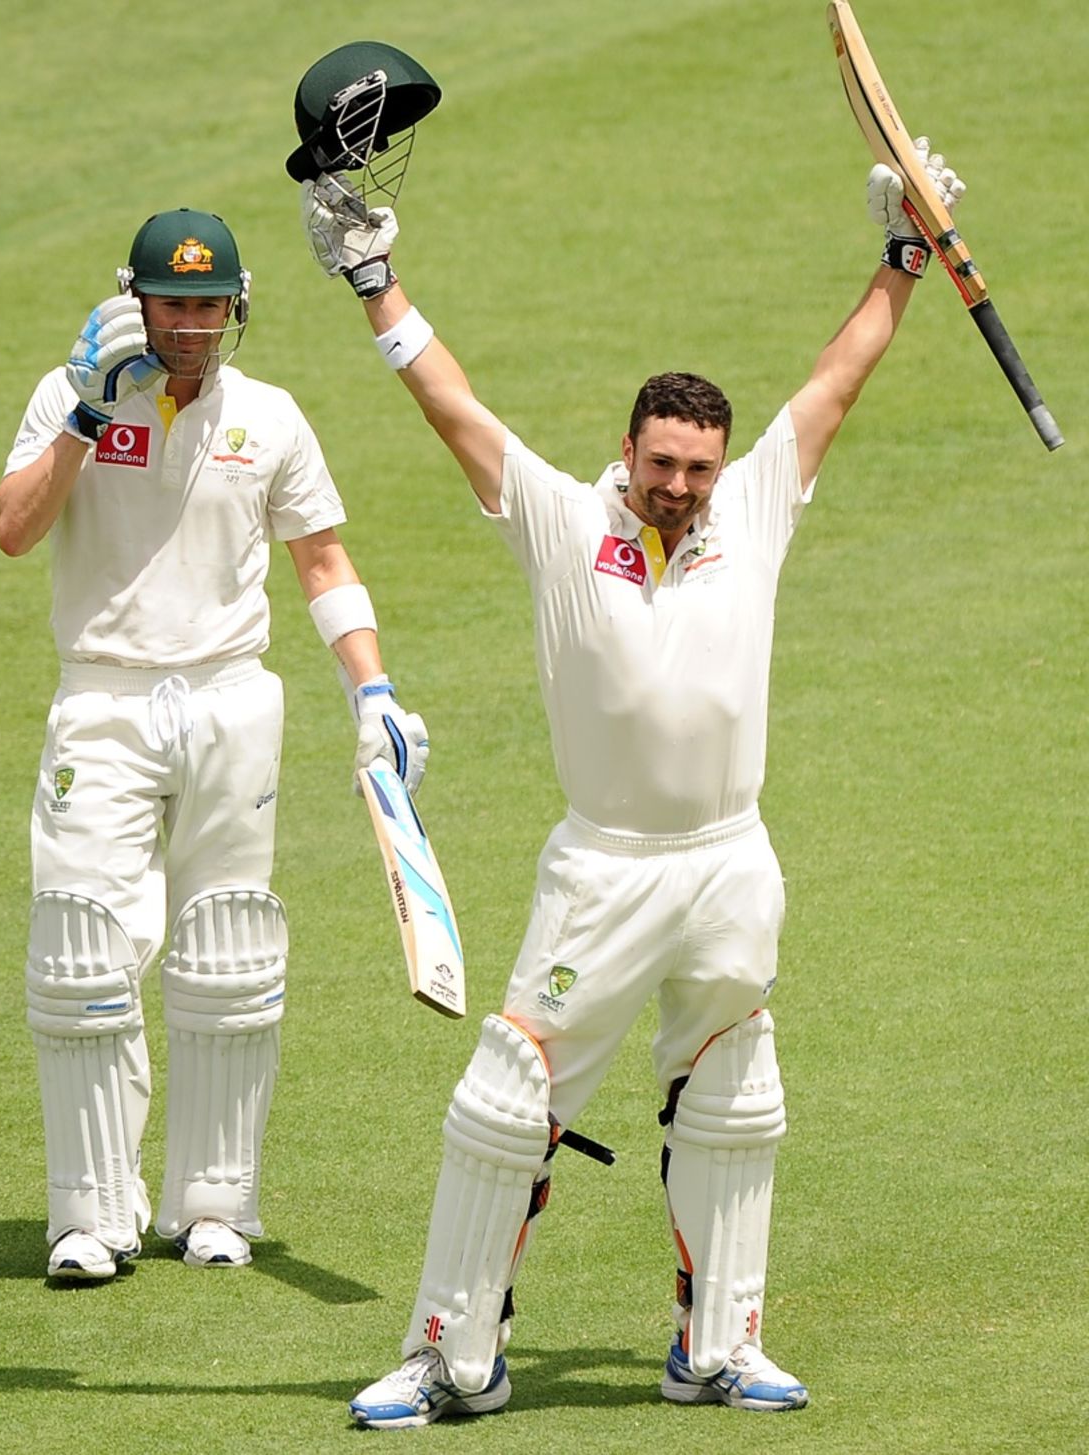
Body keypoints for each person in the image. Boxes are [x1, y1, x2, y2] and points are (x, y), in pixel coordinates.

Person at [297, 135, 966, 1426]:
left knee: (735, 1092)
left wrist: (902, 255)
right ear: (628, 451)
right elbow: (455, 405)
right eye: (663, 463)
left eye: (698, 468)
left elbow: (831, 387)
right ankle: (452, 1355)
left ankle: (717, 1345)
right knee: (507, 1095)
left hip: (729, 856)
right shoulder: (565, 521)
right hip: (602, 862)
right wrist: (373, 281)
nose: (680, 486)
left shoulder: (752, 511)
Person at [0, 207, 428, 1282]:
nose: (193, 325)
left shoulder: (269, 416)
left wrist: (372, 688)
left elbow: (322, 560)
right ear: (133, 299)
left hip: (233, 700)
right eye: (175, 303)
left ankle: (213, 1206)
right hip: (104, 700)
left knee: (229, 952)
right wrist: (87, 420)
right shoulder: (69, 394)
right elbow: (12, 526)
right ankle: (91, 1217)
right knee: (83, 949)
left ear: (237, 306)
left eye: (210, 304)